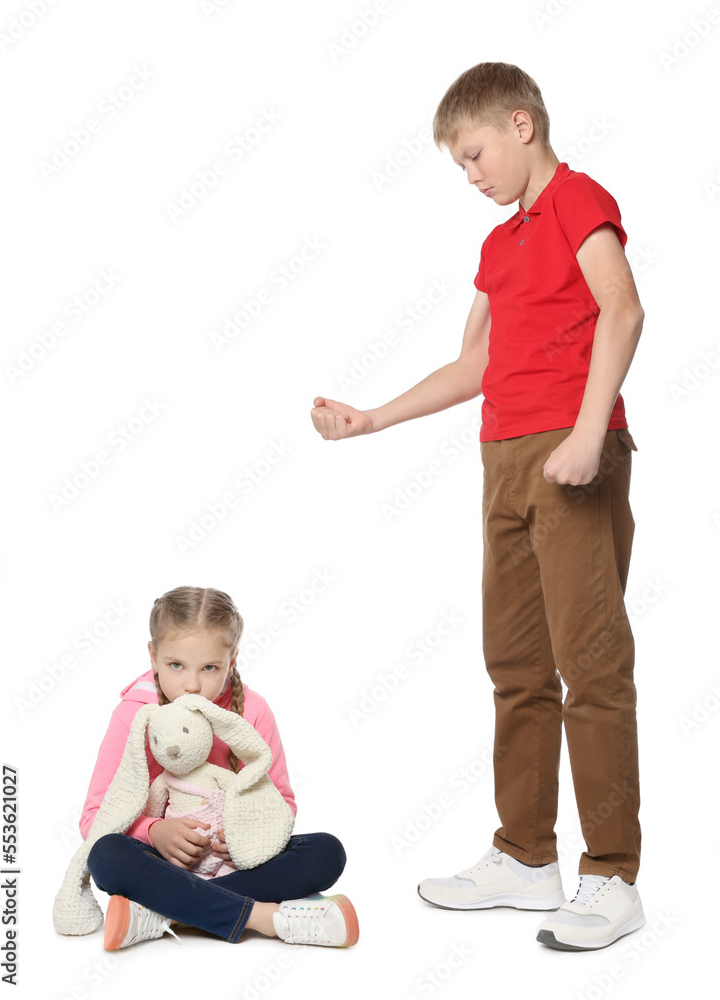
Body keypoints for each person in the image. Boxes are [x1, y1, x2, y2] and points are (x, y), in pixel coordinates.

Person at [310, 62, 644, 952]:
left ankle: (611, 875)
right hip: (502, 461)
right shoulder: (499, 246)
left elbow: (621, 309)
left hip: (571, 457)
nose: (469, 175)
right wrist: (372, 418)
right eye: (458, 166)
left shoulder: (578, 198)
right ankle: (527, 859)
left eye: (472, 154)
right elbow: (475, 366)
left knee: (591, 667)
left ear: (519, 123)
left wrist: (585, 431)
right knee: (515, 665)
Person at [82, 585, 359, 950]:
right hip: (164, 863)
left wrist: (250, 837)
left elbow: (284, 804)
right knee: (105, 853)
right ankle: (266, 918)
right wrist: (155, 832)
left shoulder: (253, 710)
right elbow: (95, 817)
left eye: (210, 667)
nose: (192, 684)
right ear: (153, 656)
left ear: (232, 660)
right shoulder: (135, 713)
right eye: (175, 665)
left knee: (327, 852)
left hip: (235, 863)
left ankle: (164, 913)